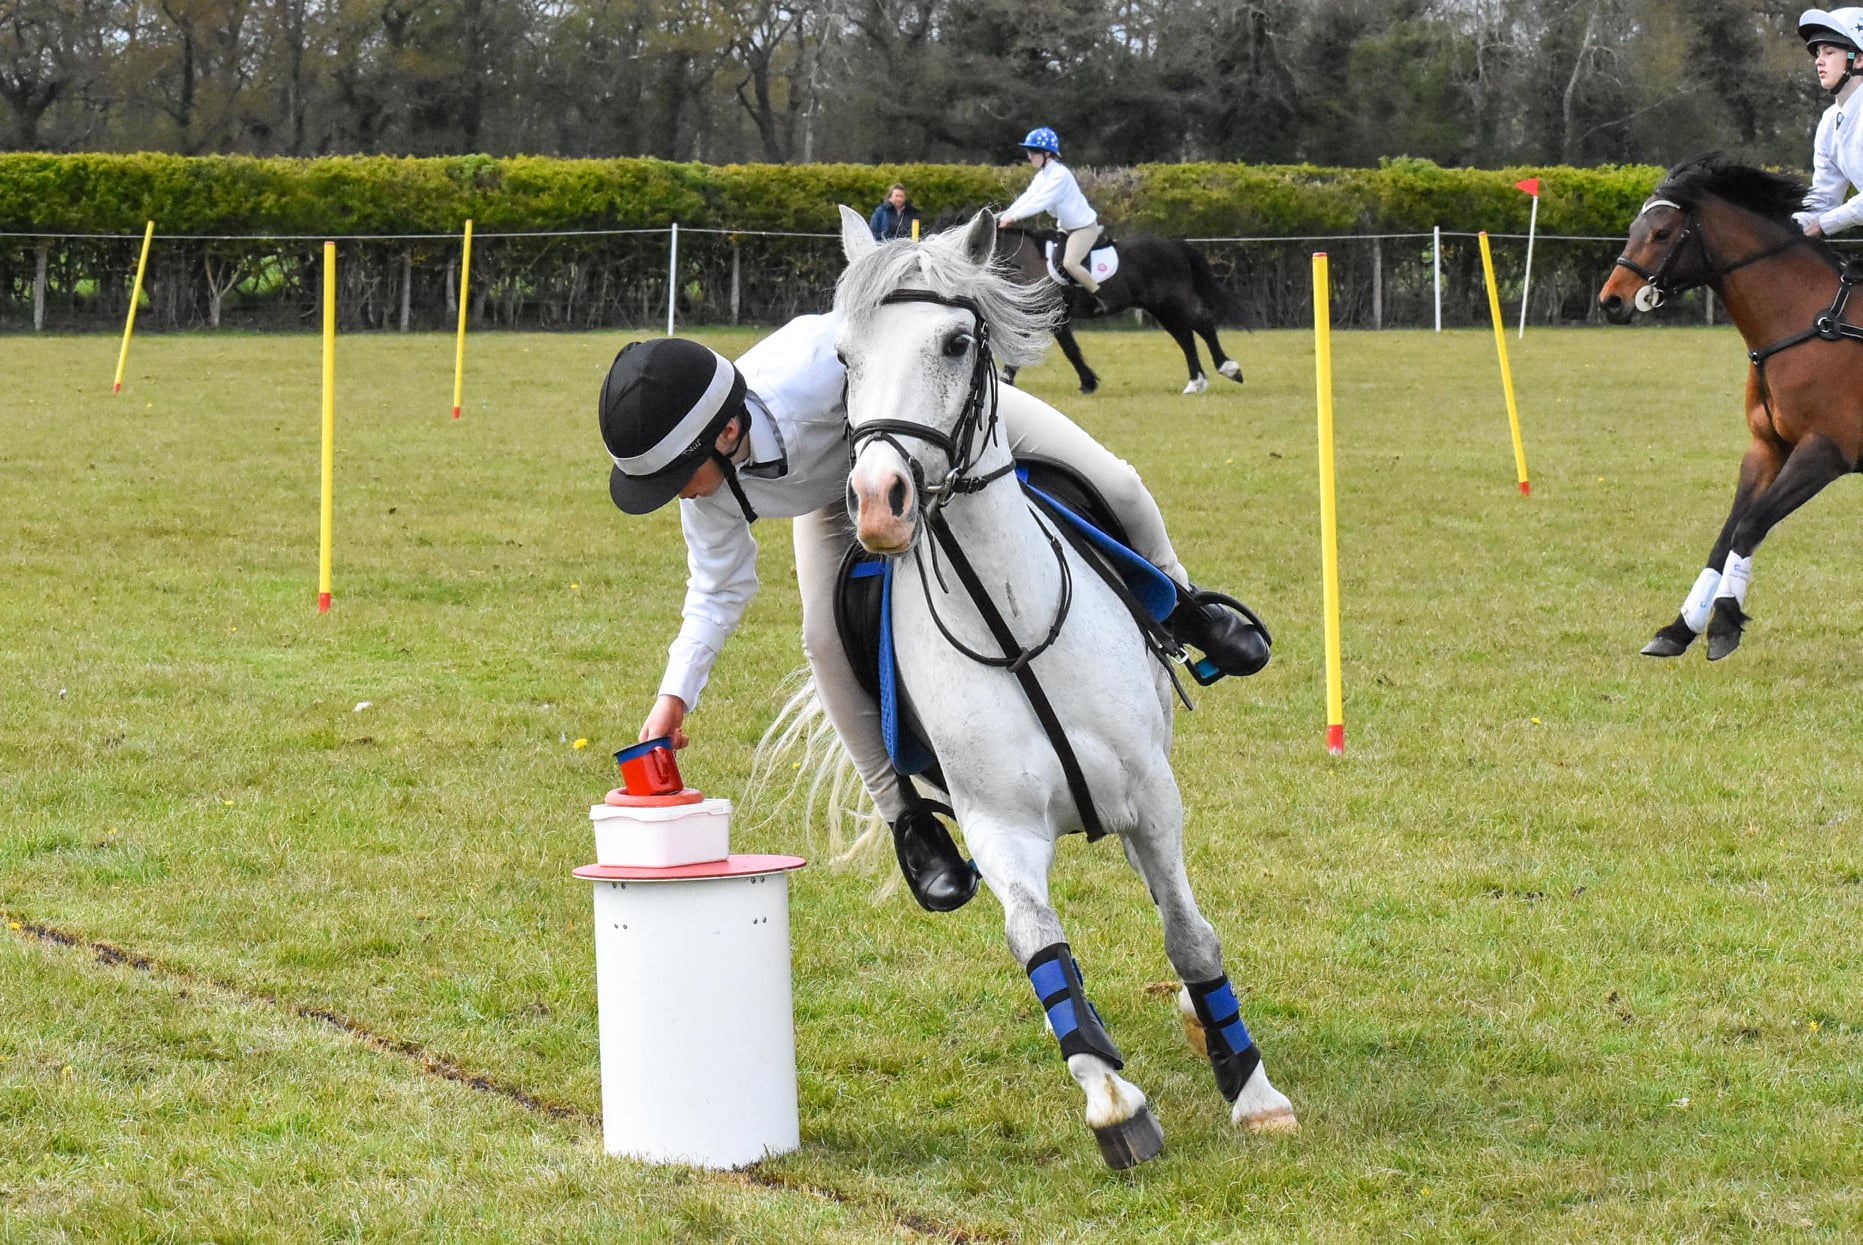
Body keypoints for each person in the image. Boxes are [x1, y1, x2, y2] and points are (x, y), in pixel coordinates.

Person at [600, 321, 1266, 913]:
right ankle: (907, 818)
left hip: (939, 419)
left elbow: (922, 345)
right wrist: (673, 696)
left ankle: (1184, 607)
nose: (677, 497)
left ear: (726, 430)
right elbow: (717, 589)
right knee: (822, 639)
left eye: (679, 477)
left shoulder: (818, 360)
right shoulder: (709, 486)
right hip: (840, 491)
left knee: (1117, 481)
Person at [997, 127, 1106, 309]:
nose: (1029, 156)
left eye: (1033, 152)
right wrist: (1004, 215)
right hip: (1065, 227)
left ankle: (1101, 297)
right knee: (1054, 265)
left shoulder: (1059, 175)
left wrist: (1013, 218)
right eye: (1028, 151)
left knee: (1070, 264)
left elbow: (1041, 201)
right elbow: (1028, 196)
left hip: (1083, 228)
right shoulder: (1043, 175)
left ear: (1047, 153)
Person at [1796, 8, 1863, 236]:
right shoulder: (1828, 122)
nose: (1818, 61)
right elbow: (1823, 200)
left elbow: (1824, 219)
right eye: (1817, 53)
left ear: (1860, 59)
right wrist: (1783, 224)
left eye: (1829, 52)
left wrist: (1825, 224)